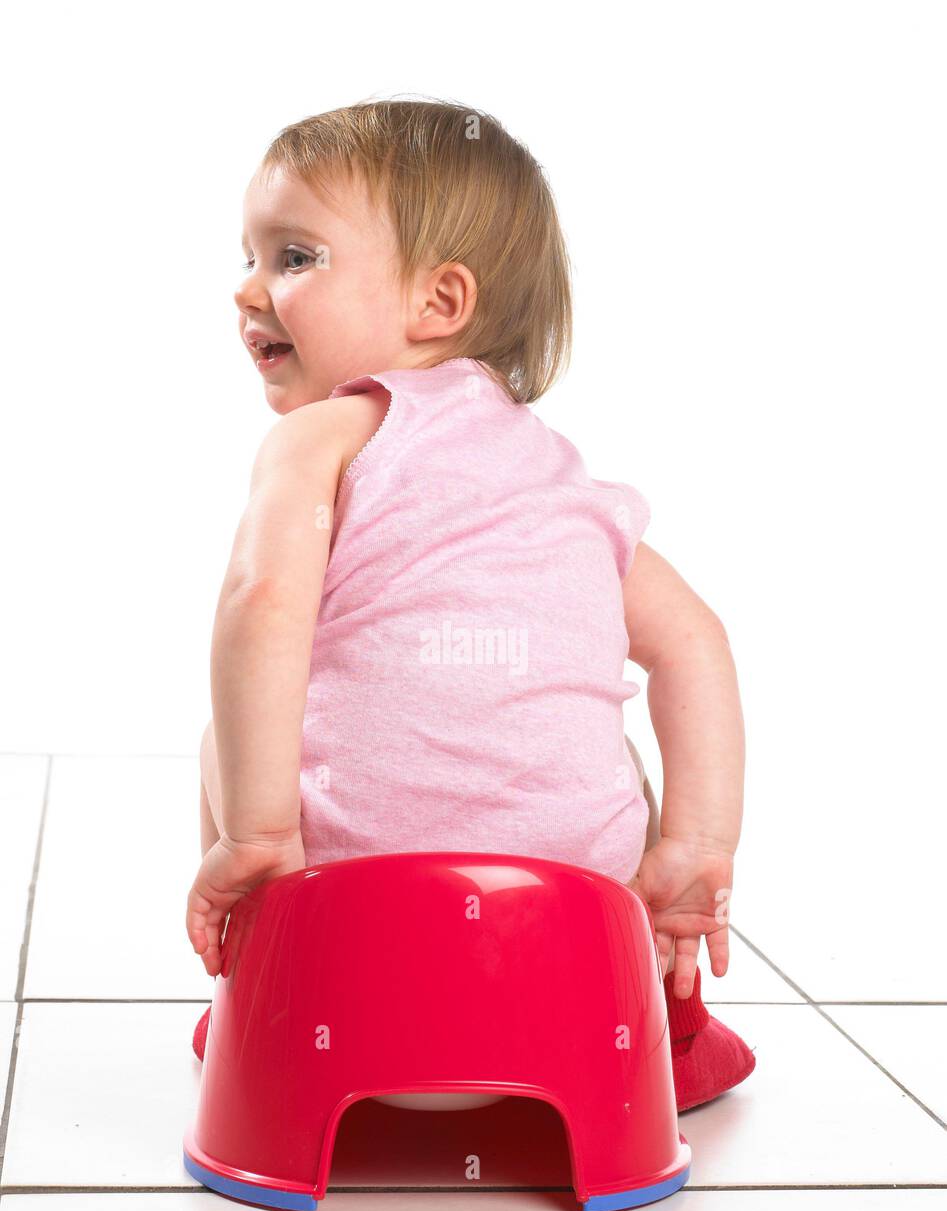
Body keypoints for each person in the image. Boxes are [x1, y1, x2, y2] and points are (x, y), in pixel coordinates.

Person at [187, 99, 755, 1112]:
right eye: (249, 253)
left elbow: (262, 601)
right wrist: (692, 852)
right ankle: (658, 1024)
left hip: (347, 898)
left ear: (438, 302)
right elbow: (694, 645)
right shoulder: (566, 487)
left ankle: (267, 992)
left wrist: (258, 829)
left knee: (223, 727)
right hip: (568, 911)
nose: (246, 287)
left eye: (294, 256)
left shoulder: (324, 437)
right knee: (601, 747)